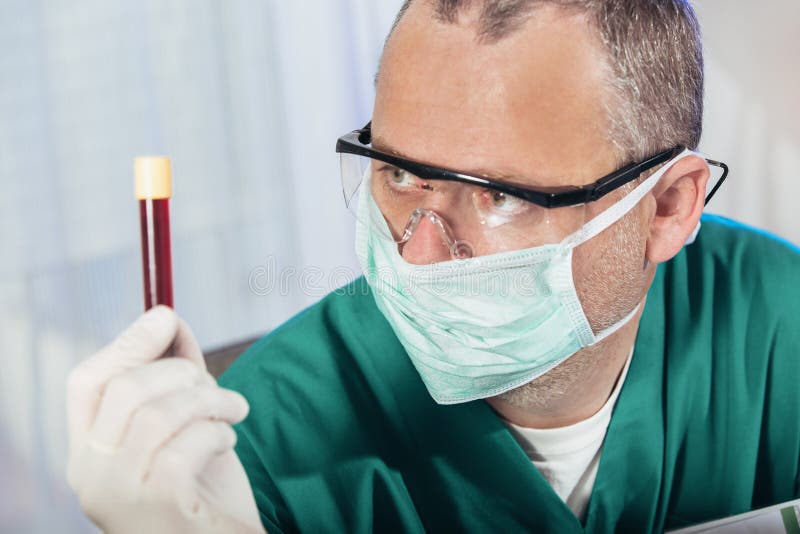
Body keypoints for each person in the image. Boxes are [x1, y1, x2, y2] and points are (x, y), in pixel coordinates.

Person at [66, 0, 800, 532]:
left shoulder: (779, 328)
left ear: (668, 207)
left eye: (499, 196)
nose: (417, 255)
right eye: (397, 175)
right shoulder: (255, 453)